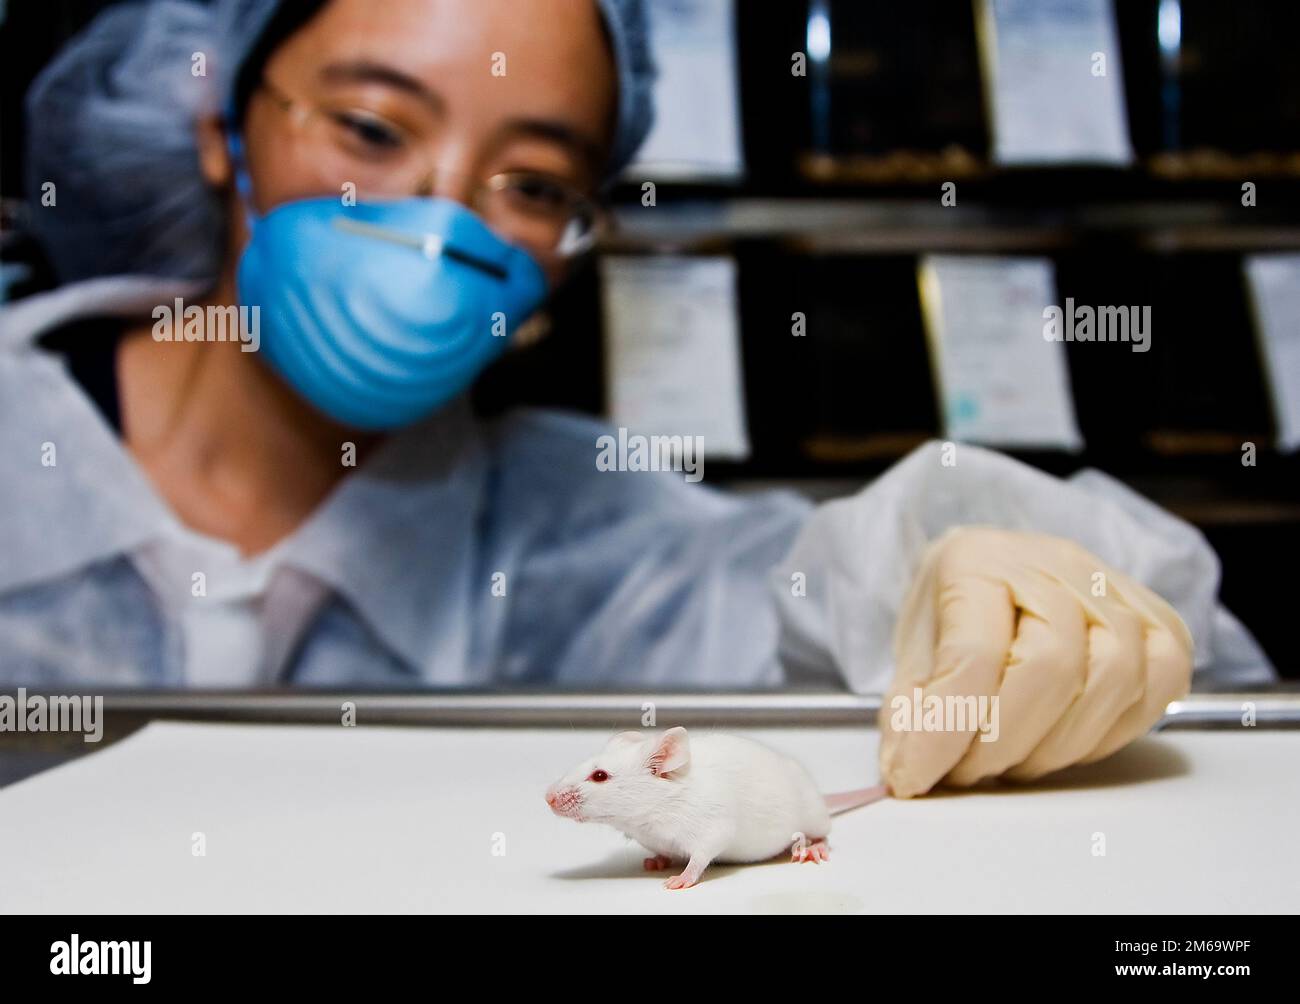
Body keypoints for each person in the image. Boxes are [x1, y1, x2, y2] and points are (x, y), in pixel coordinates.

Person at [0, 0, 1273, 797]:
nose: (442, 223)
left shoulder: (582, 540)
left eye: (532, 182)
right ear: (220, 121)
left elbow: (809, 587)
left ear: (571, 244)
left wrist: (988, 572)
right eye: (372, 130)